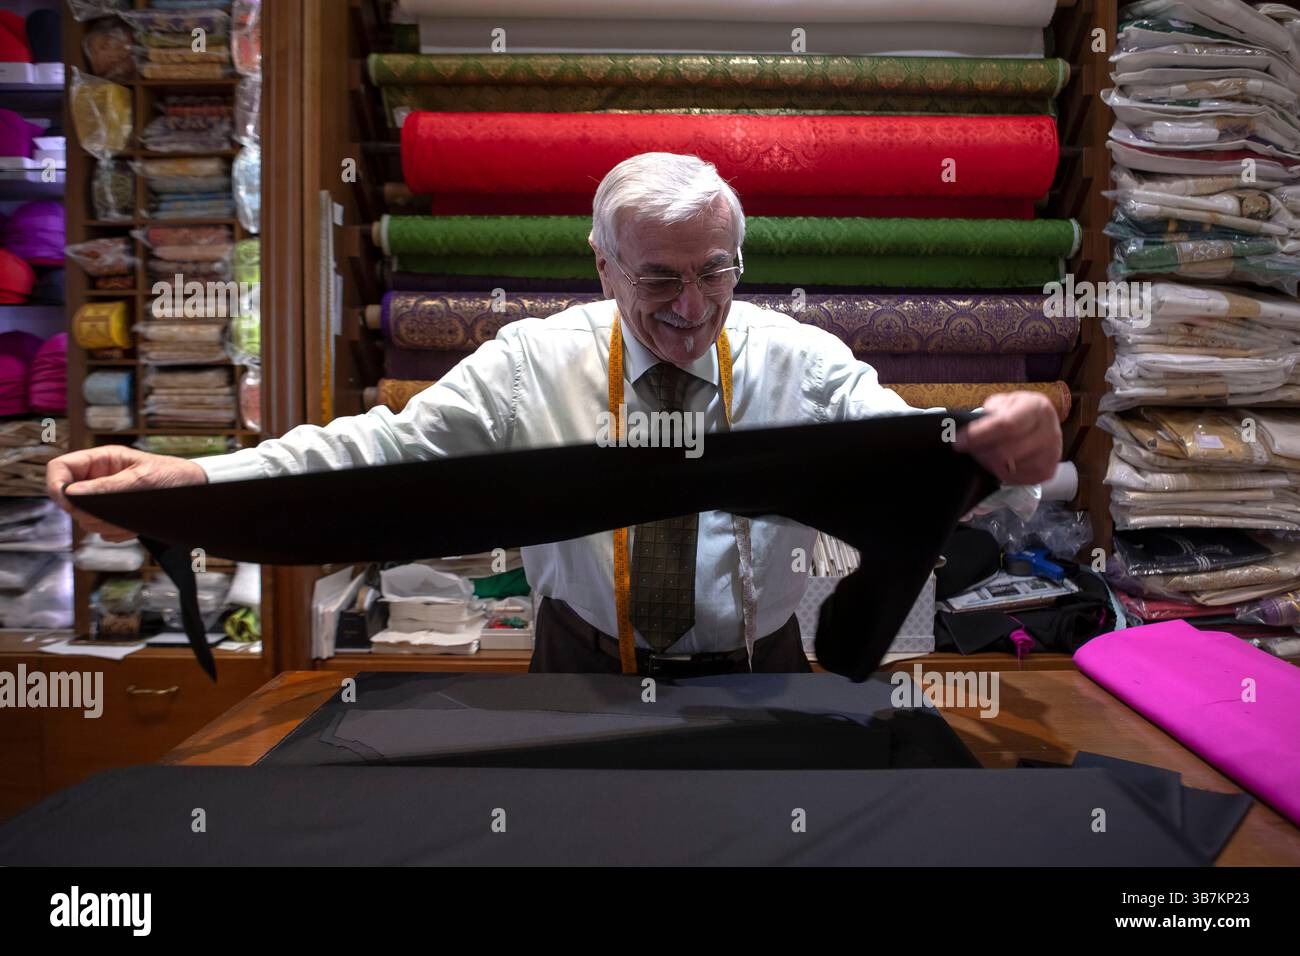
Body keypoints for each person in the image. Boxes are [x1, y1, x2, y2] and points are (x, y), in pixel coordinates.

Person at [48, 152, 1061, 676]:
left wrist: (999, 450)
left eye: (715, 273)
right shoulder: (531, 362)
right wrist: (197, 484)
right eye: (657, 279)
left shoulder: (806, 361)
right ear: (603, 264)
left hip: (761, 667)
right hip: (576, 663)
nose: (691, 308)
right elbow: (374, 451)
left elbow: (917, 464)